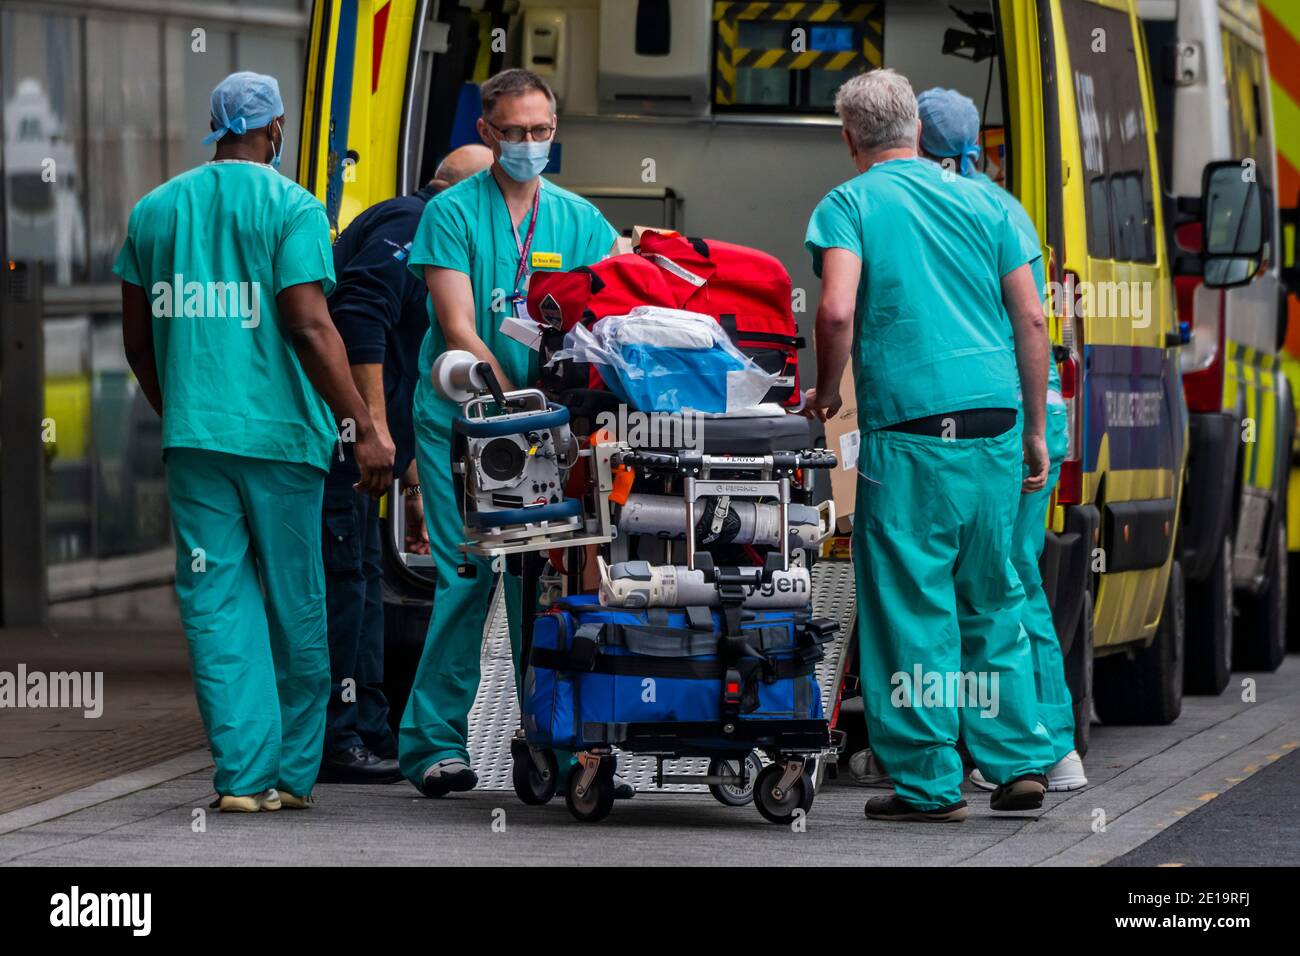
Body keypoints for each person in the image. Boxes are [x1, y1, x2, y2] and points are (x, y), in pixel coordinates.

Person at [115, 71, 395, 812]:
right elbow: (308, 325)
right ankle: (291, 774)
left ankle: (241, 778)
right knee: (297, 604)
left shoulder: (153, 211)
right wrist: (362, 425)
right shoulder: (293, 207)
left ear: (216, 128)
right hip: (281, 445)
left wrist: (181, 411)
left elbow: (138, 342)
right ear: (276, 131)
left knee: (215, 603)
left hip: (196, 443)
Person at [804, 68, 1056, 822]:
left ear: (851, 138)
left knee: (914, 605)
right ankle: (1017, 763)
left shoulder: (849, 203)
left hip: (910, 436)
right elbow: (1033, 321)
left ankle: (929, 782)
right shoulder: (991, 202)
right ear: (917, 126)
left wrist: (825, 390)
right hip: (997, 428)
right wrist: (1038, 430)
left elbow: (838, 309)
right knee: (994, 593)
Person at [399, 69, 628, 798]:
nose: (529, 144)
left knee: (551, 585)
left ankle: (558, 745)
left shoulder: (581, 220)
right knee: (470, 577)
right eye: (515, 132)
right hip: (469, 425)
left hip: (554, 431)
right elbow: (458, 327)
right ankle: (434, 746)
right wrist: (509, 400)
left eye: (541, 132)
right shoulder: (452, 214)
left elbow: (608, 319)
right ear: (485, 134)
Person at [917, 86, 1086, 792]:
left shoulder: (955, 212)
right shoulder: (1004, 209)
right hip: (1031, 417)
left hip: (1011, 423)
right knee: (1012, 578)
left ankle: (1037, 745)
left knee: (1003, 582)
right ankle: (1044, 743)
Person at [318, 144, 493, 784]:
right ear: (452, 190)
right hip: (344, 441)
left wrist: (408, 467)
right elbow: (359, 314)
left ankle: (366, 725)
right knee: (346, 583)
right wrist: (372, 428)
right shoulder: (413, 223)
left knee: (361, 577)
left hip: (367, 443)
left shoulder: (425, 225)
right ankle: (341, 737)